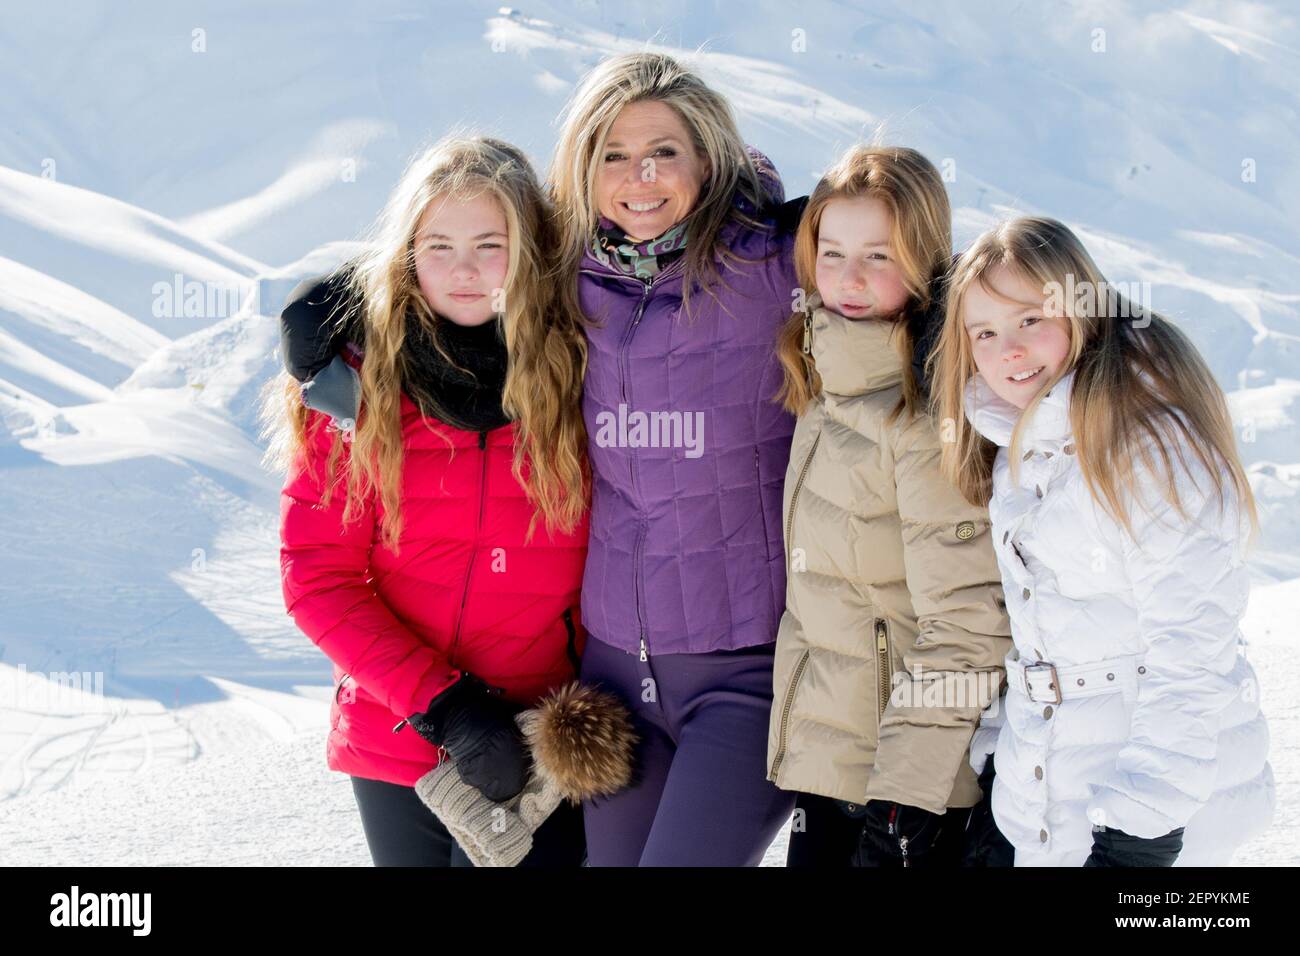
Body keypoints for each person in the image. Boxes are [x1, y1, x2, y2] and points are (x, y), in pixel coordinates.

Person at [268, 135, 590, 866]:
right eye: (438, 245)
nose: (465, 271)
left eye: (490, 243)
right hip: (399, 732)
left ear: (533, 249)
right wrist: (444, 707)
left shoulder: (582, 373)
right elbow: (318, 575)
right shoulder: (357, 386)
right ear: (407, 253)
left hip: (540, 745)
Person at [931, 215, 1275, 866]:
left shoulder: (1147, 448)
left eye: (1031, 319)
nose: (1009, 349)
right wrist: (998, 766)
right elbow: (1044, 635)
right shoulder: (1020, 456)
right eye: (985, 332)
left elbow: (1190, 654)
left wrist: (1140, 828)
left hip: (1144, 810)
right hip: (1045, 802)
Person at [766, 144, 1011, 867]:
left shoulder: (924, 418)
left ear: (925, 260)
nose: (848, 278)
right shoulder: (830, 387)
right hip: (832, 770)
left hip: (902, 796)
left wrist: (904, 804)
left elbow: (967, 625)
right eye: (832, 251)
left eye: (879, 256)